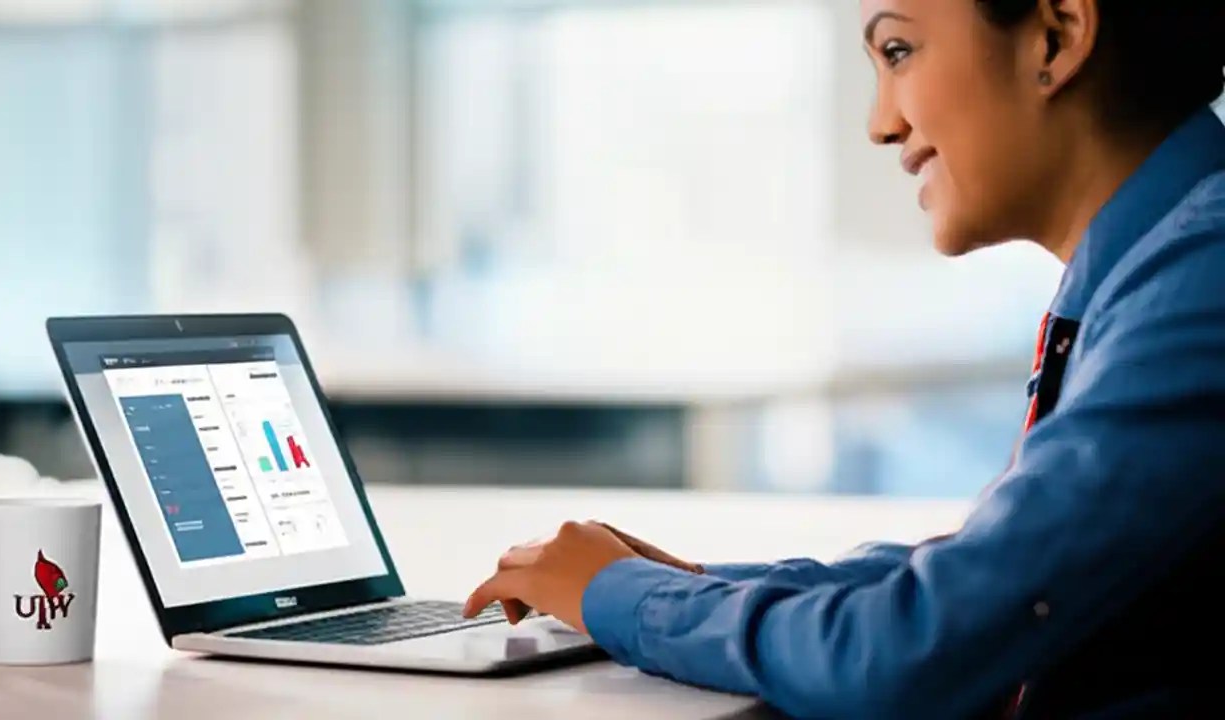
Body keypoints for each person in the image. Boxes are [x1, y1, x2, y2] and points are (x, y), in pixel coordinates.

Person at [462, 0, 1225, 716]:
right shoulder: (1158, 271)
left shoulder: (1203, 282)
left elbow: (911, 648)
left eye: (899, 51)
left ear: (1056, 36)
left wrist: (629, 599)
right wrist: (680, 587)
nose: (881, 124)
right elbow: (989, 576)